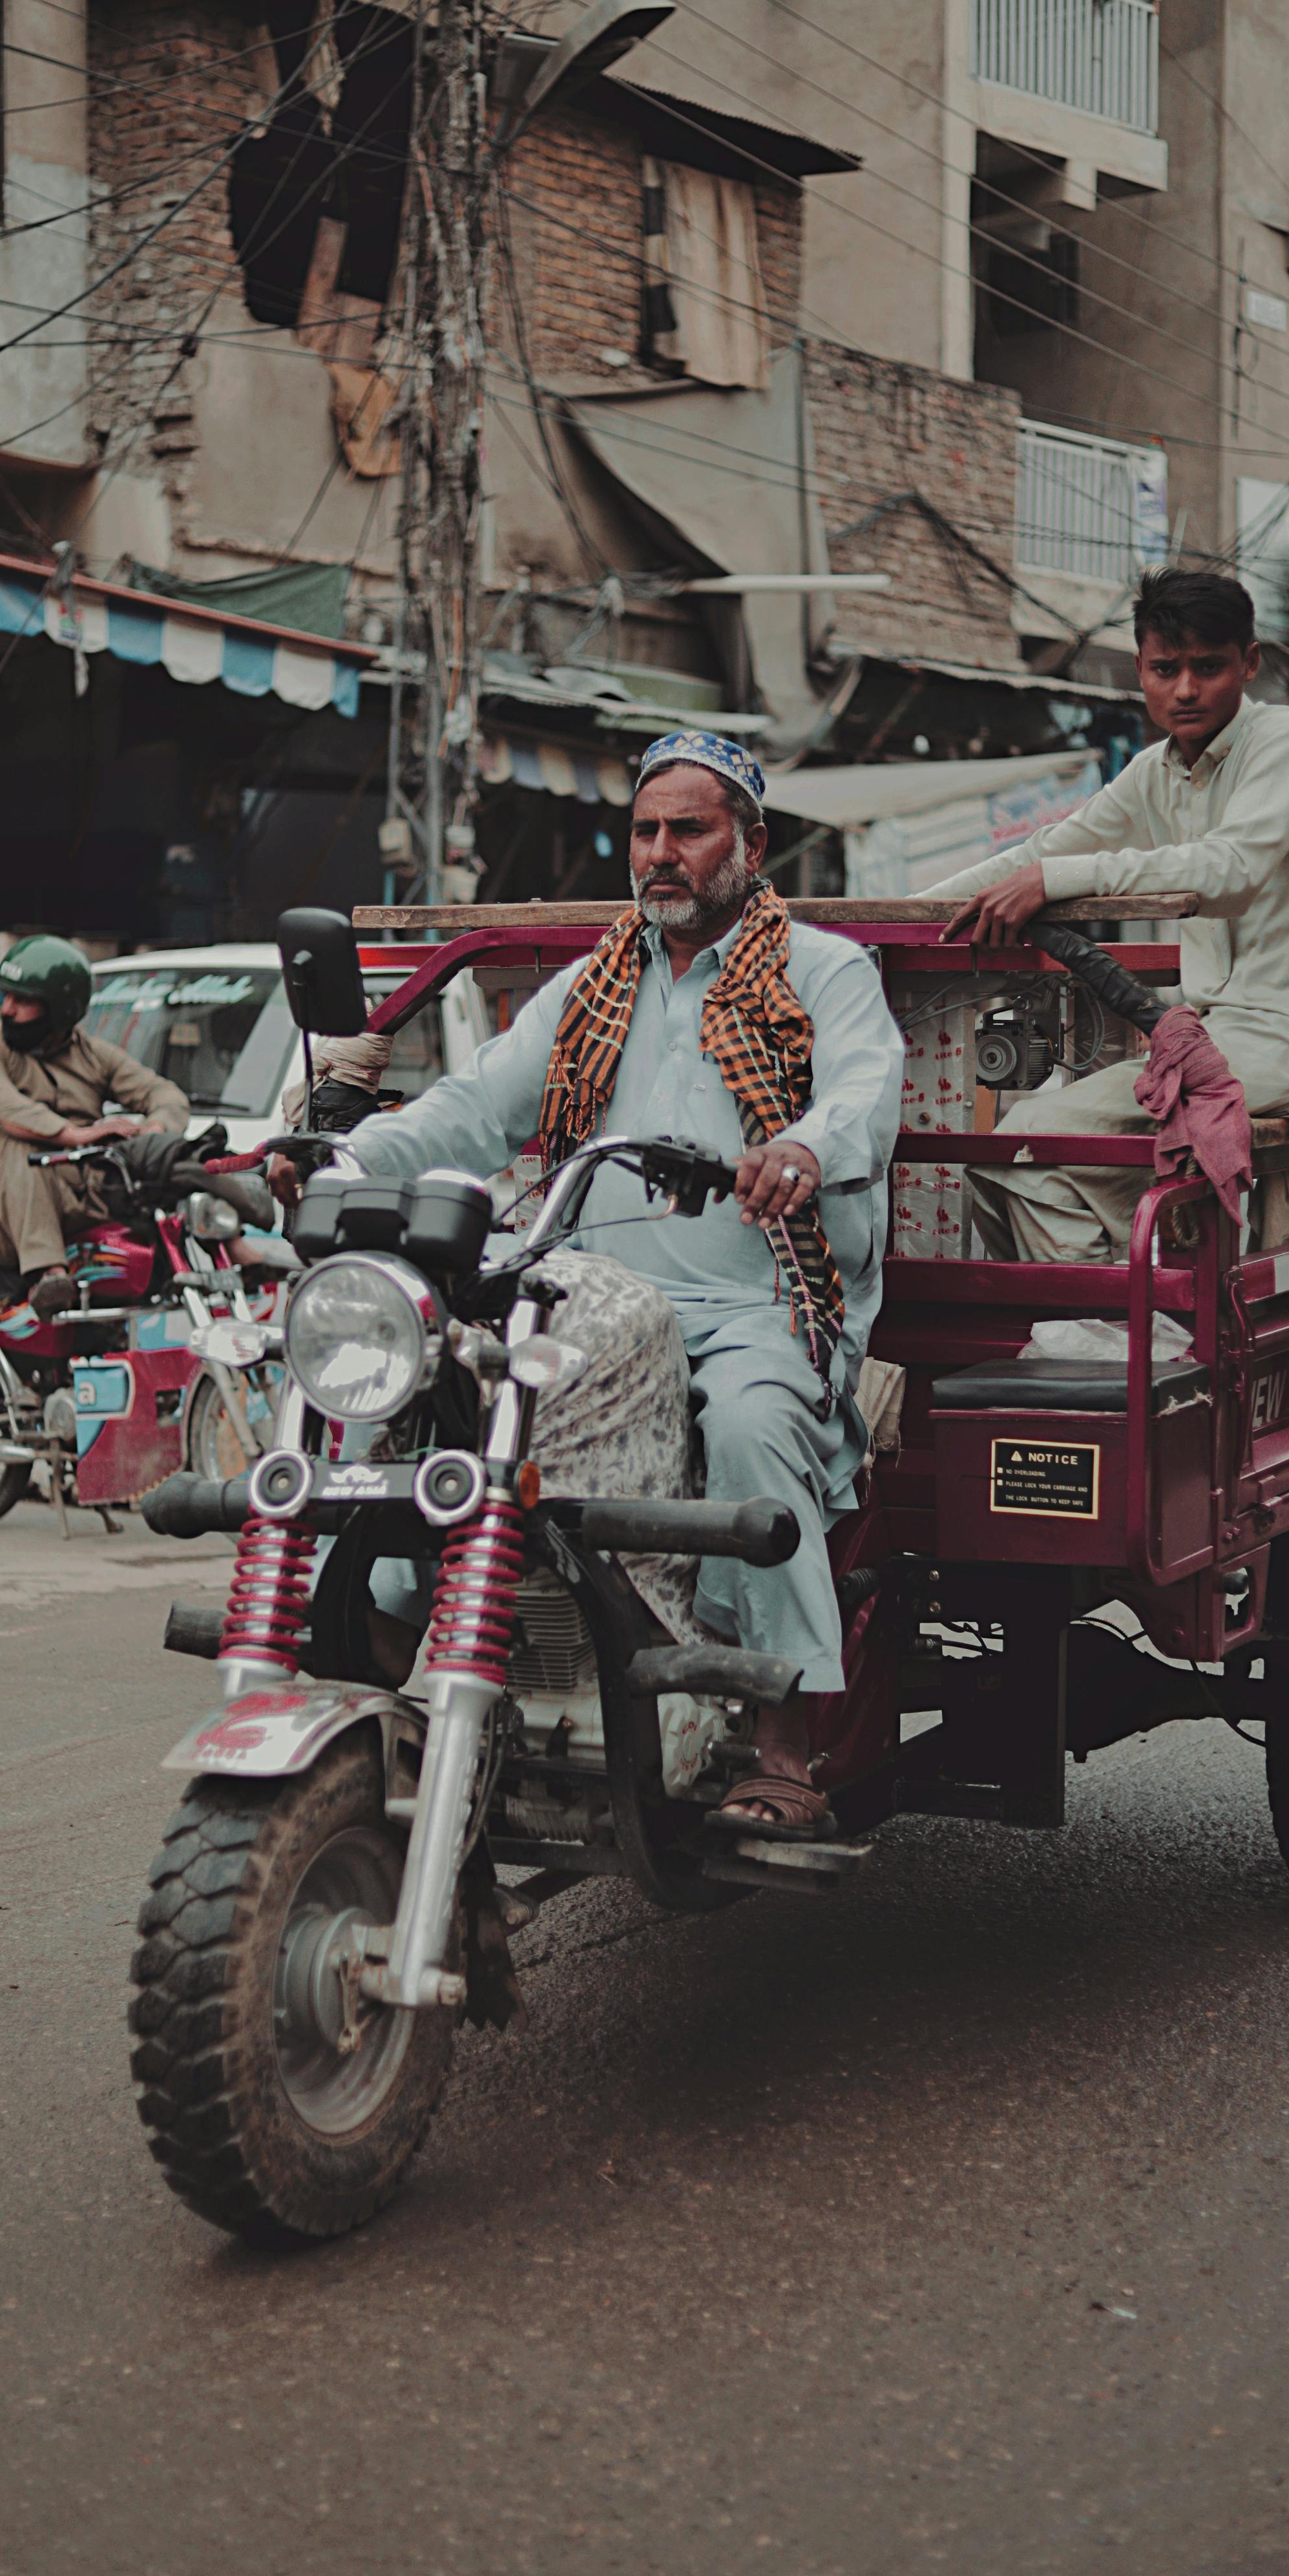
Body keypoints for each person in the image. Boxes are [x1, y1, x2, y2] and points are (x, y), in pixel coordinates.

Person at [326, 729, 908, 1841]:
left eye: (687, 830)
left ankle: (781, 1743)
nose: (660, 853)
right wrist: (351, 1159)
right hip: (589, 1305)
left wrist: (801, 1148)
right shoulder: (596, 985)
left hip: (755, 1308)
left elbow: (864, 1098)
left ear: (750, 843)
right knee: (440, 1406)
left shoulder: (824, 971)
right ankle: (420, 1659)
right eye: (645, 831)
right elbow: (472, 1107)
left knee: (750, 1437)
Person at [928, 565, 1289, 1260]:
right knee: (995, 1157)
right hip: (1211, 1044)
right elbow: (1043, 849)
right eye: (1165, 669)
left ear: (1248, 663)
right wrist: (892, 919)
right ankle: (1074, 1328)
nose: (1186, 690)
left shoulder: (1281, 744)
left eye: (1208, 667)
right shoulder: (1154, 771)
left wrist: (1055, 880)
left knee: (1032, 1143)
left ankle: (1102, 1338)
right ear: (1138, 669)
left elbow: (1225, 873)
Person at [0, 935, 189, 1307]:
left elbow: (166, 1095)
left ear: (60, 1009)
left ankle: (226, 1258)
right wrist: (78, 1135)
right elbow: (9, 1110)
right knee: (23, 1147)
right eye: (6, 996)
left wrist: (154, 1131)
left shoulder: (93, 1056)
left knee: (169, 1162)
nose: (7, 1010)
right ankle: (48, 1275)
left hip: (75, 1198)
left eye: (23, 1000)